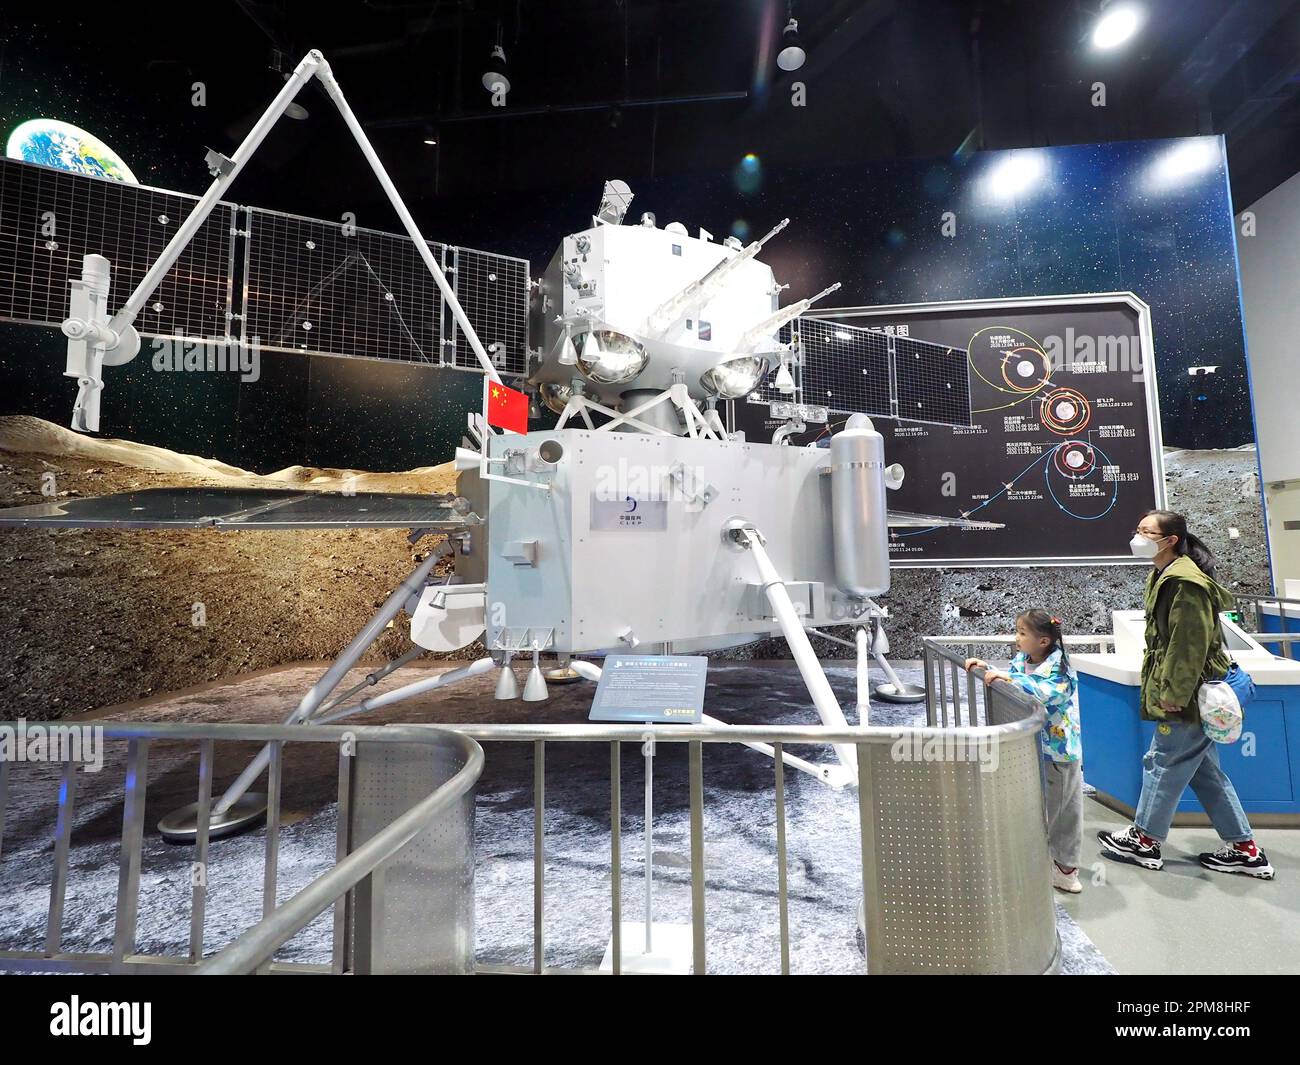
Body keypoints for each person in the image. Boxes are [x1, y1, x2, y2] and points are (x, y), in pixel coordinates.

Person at [1097, 510, 1274, 879]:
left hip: (1193, 693)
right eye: (1138, 529)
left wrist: (1174, 694)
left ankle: (1145, 840)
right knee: (1205, 773)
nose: (1138, 537)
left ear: (1171, 539)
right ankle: (1245, 849)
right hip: (1196, 690)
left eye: (1146, 532)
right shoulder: (1164, 575)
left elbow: (1187, 646)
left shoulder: (1185, 583)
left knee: (1162, 762)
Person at [966, 610, 1084, 893]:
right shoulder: (1023, 660)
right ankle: (1036, 859)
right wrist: (988, 669)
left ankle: (1065, 869)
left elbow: (1048, 692)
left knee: (1063, 810)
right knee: (1035, 806)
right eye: (1017, 631)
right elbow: (1015, 678)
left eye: (1022, 633)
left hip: (1059, 752)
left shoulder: (1061, 670)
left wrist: (1009, 681)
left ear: (1043, 641)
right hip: (1031, 747)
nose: (1016, 638)